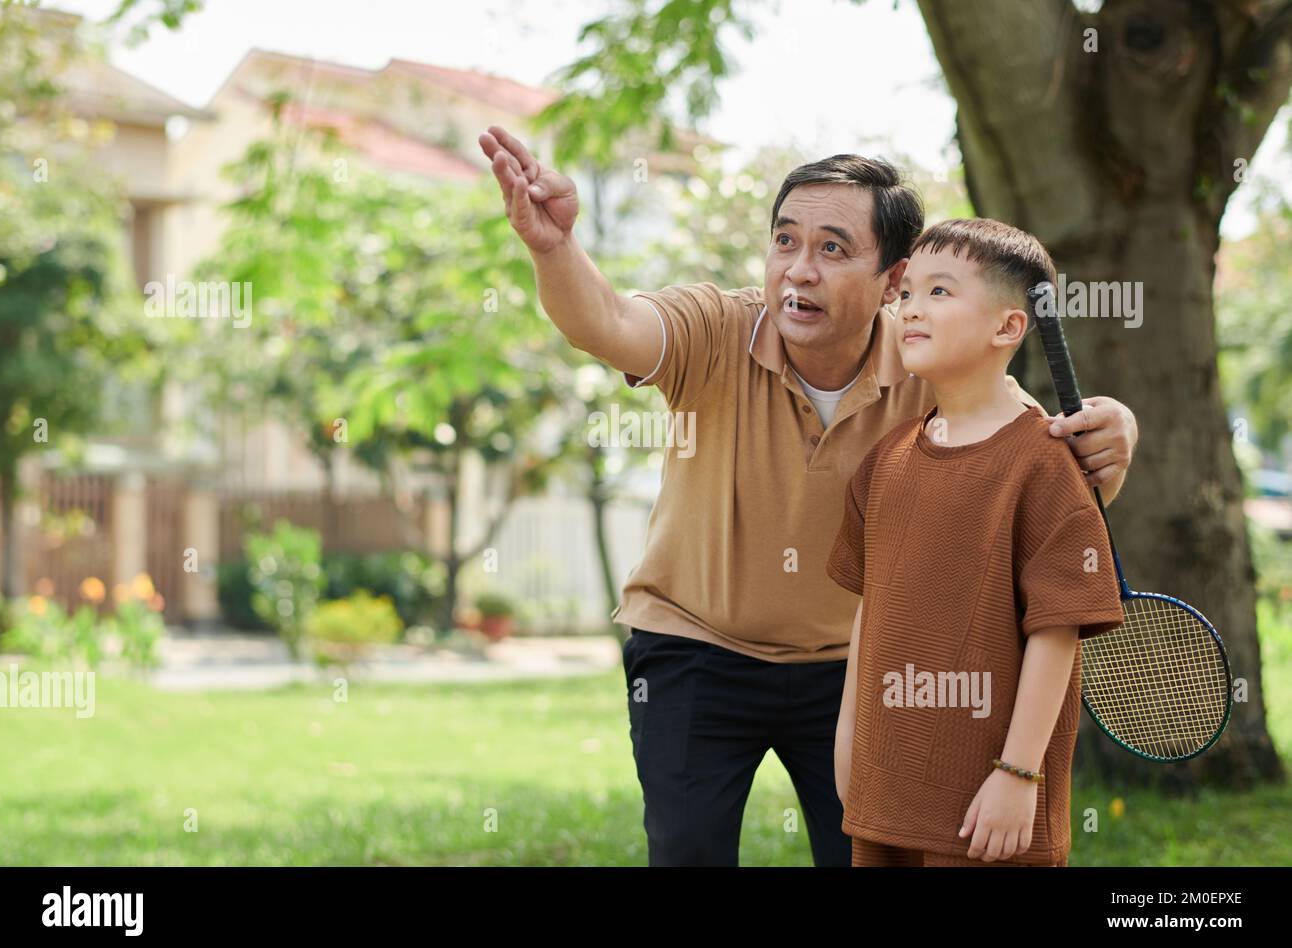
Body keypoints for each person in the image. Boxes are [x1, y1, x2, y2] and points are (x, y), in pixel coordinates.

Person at [478, 125, 1140, 866]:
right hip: (696, 644)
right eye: (785, 242)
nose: (799, 270)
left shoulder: (933, 368)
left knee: (864, 852)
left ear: (894, 280)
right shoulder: (716, 328)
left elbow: (1037, 462)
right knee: (686, 851)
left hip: (850, 669)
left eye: (832, 249)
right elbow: (605, 323)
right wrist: (553, 248)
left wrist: (1118, 432)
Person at [827, 218, 1126, 867]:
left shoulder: (1043, 465)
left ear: (1007, 328)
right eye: (907, 293)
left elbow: (1057, 631)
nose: (911, 309)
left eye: (941, 292)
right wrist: (849, 735)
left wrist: (1018, 775)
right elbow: (869, 611)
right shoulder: (885, 461)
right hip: (886, 788)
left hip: (989, 807)